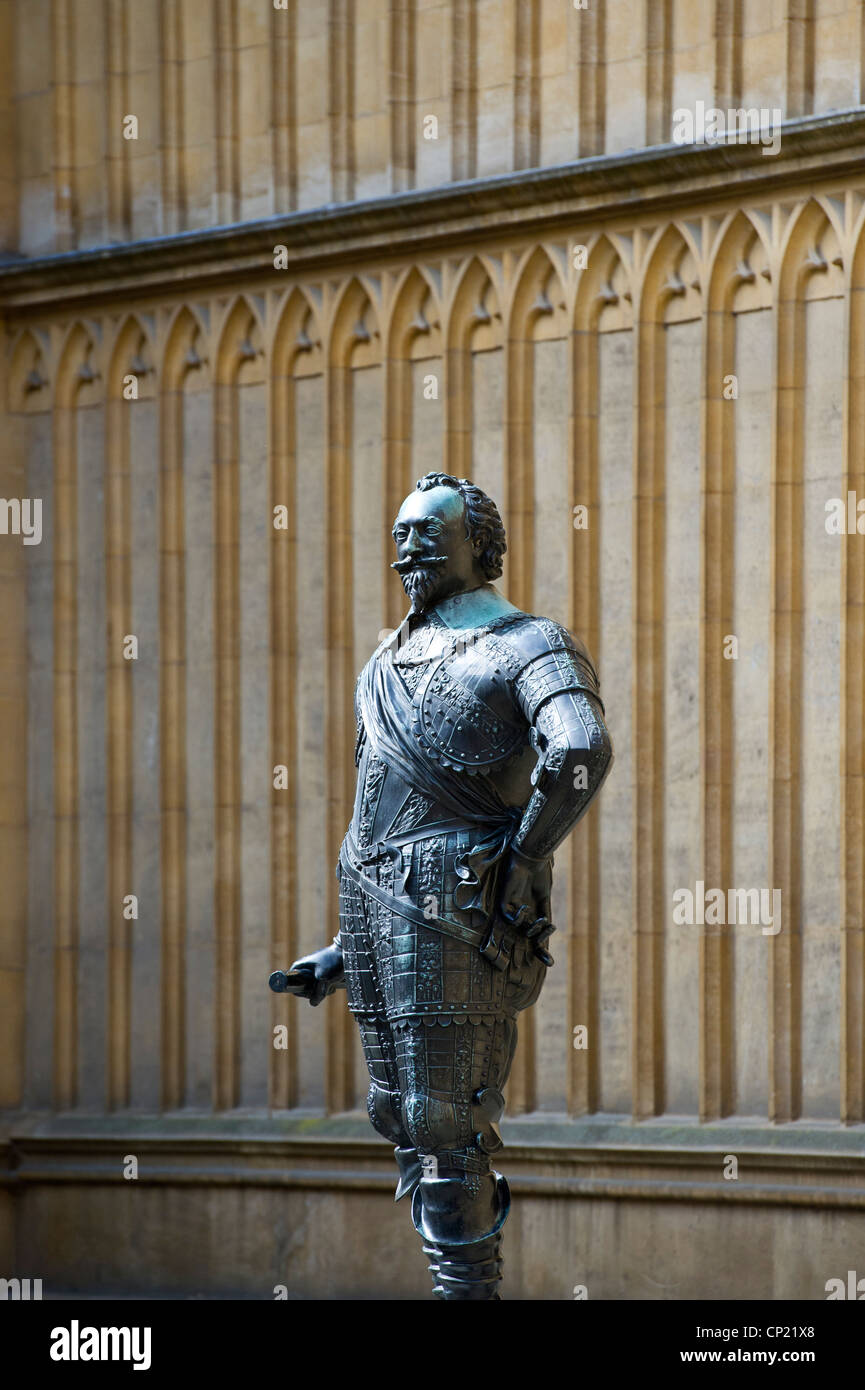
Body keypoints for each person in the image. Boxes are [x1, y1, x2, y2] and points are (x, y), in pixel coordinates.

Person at [279, 471, 612, 1299]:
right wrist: (341, 947)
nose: (409, 547)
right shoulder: (384, 661)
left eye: (430, 531)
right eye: (400, 534)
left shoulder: (529, 643)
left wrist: (523, 859)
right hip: (376, 906)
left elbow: (578, 751)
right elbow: (379, 809)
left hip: (460, 905)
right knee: (398, 1115)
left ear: (481, 545)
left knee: (445, 1123)